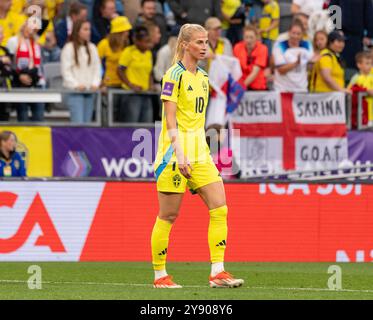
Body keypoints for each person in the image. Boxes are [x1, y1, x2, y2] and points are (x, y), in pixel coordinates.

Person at [151, 23, 244, 288]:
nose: (205, 47)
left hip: (200, 152)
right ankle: (160, 276)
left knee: (220, 207)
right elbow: (170, 119)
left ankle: (218, 272)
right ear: (185, 45)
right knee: (168, 215)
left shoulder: (203, 77)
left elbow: (197, 120)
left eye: (207, 42)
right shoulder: (173, 75)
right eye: (200, 42)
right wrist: (180, 154)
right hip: (174, 153)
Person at [61, 20, 102, 123]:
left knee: (87, 124)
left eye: (89, 29)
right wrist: (76, 85)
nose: (89, 32)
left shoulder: (92, 48)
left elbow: (97, 68)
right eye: (85, 29)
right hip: (75, 92)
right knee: (78, 124)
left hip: (89, 91)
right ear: (77, 31)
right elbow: (66, 71)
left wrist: (95, 83)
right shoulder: (68, 48)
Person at [7, 22, 46, 122]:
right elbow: (9, 64)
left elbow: (40, 65)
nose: (31, 30)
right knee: (23, 116)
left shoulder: (37, 43)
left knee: (38, 117)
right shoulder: (13, 41)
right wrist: (19, 76)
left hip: (37, 84)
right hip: (20, 83)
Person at [98, 16, 132, 121]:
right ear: (119, 31)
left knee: (121, 117)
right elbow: (97, 65)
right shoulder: (104, 44)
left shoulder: (127, 45)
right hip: (108, 85)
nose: (128, 33)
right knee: (108, 116)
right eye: (126, 31)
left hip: (123, 85)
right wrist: (100, 83)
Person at [117, 26, 154, 123]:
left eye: (149, 41)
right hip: (132, 95)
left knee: (147, 124)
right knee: (132, 124)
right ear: (137, 42)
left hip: (146, 94)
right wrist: (130, 85)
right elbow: (120, 70)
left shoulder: (148, 53)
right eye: (146, 42)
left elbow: (149, 71)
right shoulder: (128, 52)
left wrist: (151, 85)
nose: (149, 44)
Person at [329, 0, 373, 69]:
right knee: (342, 62)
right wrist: (338, 28)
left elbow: (369, 13)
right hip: (342, 34)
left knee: (357, 63)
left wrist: (369, 35)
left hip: (358, 36)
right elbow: (333, 8)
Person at [272, 20, 314, 93]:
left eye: (298, 34)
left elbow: (309, 67)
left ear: (302, 34)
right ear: (289, 32)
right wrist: (296, 63)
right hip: (283, 90)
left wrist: (313, 62)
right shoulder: (280, 45)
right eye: (293, 33)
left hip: (301, 89)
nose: (295, 36)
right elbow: (281, 70)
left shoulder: (307, 45)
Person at [233, 25, 268, 90]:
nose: (248, 40)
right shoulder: (237, 47)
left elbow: (255, 72)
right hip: (240, 83)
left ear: (256, 38)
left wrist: (240, 88)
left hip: (257, 86)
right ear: (243, 38)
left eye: (251, 37)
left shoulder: (263, 48)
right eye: (246, 37)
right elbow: (234, 68)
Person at [348, 52, 373, 127]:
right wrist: (364, 91)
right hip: (362, 115)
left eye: (371, 64)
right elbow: (349, 91)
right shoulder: (356, 78)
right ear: (359, 65)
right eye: (367, 63)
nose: (370, 66)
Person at [0, 25, 14, 121]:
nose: (2, 36)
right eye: (0, 33)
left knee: (5, 119)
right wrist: (1, 61)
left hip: (5, 89)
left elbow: (8, 70)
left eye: (2, 33)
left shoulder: (5, 50)